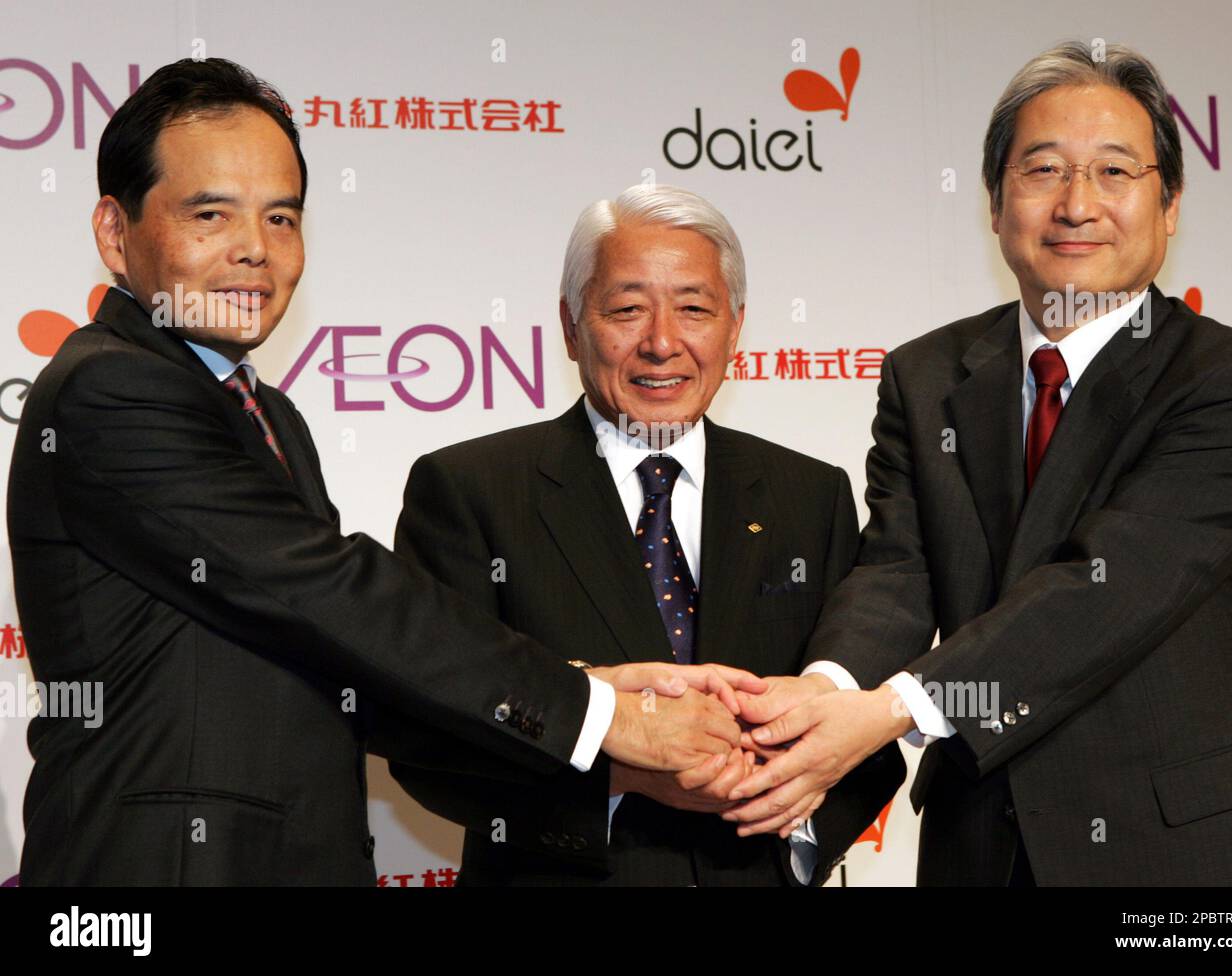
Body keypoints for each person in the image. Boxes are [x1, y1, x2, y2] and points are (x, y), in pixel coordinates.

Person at [7, 58, 757, 886]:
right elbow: (330, 594)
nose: (255, 250)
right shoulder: (113, 387)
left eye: (283, 217)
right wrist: (601, 714)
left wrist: (588, 704)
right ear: (116, 232)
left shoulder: (264, 410)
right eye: (210, 213)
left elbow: (346, 660)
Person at [726, 40, 1232, 885]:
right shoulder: (927, 375)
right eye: (1043, 171)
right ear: (995, 203)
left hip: (1179, 852)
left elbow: (1102, 588)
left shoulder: (1230, 383)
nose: (1077, 205)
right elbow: (899, 567)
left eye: (1115, 172)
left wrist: (889, 711)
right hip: (982, 842)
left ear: (1170, 203)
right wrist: (827, 688)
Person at [388, 184, 904, 885]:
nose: (662, 343)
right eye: (626, 309)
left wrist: (792, 819)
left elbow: (859, 721)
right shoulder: (470, 489)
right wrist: (621, 775)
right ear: (571, 326)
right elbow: (430, 733)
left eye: (694, 308)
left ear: (735, 325)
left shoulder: (809, 494)